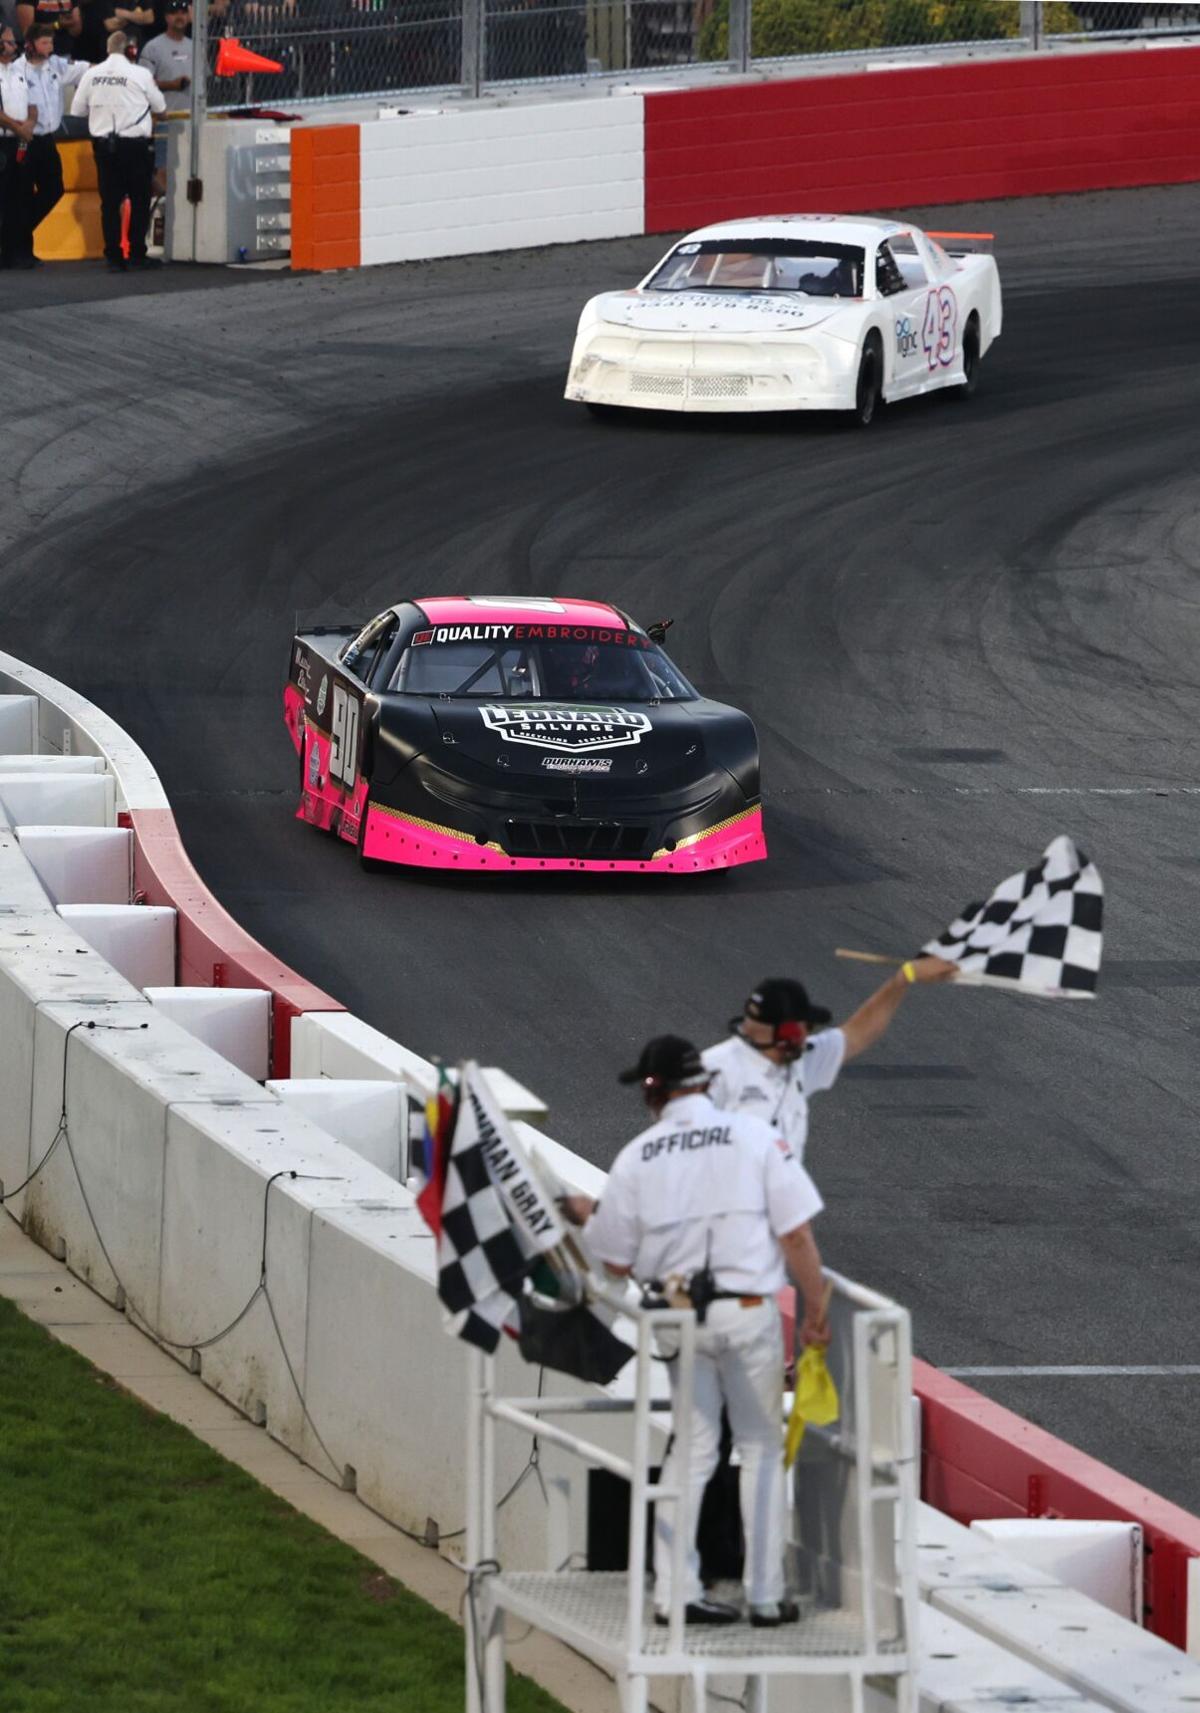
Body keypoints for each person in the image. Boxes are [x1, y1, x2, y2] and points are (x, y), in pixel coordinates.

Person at [563, 1035, 829, 1628]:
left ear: (652, 1091)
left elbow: (614, 1261)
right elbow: (797, 1236)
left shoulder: (636, 1157)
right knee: (760, 1446)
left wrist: (591, 1214)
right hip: (748, 1311)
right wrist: (816, 1312)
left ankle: (675, 1595)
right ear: (704, 1083)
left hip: (677, 1317)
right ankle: (764, 1595)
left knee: (696, 1447)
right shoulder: (756, 1138)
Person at [703, 959, 956, 1167]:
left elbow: (857, 1033)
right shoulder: (713, 1072)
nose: (809, 1035)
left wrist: (904, 978)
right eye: (807, 1027)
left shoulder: (801, 1060)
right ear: (788, 1032)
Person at [69, 26, 163, 272]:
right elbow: (160, 105)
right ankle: (136, 254)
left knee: (109, 203)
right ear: (132, 50)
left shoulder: (92, 75)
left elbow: (77, 111)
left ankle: (113, 256)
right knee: (140, 199)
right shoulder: (140, 74)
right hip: (135, 146)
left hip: (104, 147)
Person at [20, 24, 87, 260]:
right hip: (24, 140)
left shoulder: (56, 65)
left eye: (51, 43)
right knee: (23, 193)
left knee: (54, 189)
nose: (49, 48)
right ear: (30, 44)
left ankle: (15, 235)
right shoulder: (16, 69)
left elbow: (84, 70)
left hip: (48, 138)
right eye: (44, 43)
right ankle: (22, 249)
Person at [0, 22, 34, 267]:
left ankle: (18, 251)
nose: (15, 45)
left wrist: (30, 123)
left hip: (21, 141)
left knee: (20, 198)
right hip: (3, 141)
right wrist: (16, 126)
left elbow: (33, 103)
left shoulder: (20, 70)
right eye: (10, 41)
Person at [138, 0, 188, 102]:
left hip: (194, 114)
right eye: (174, 13)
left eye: (183, 13)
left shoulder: (195, 47)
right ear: (166, 17)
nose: (179, 17)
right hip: (164, 115)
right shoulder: (153, 47)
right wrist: (171, 85)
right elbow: (141, 83)